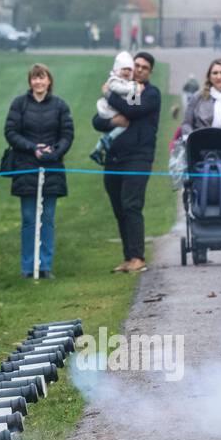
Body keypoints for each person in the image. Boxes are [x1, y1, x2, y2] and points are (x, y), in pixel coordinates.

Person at [92, 52, 160, 274]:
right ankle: (128, 256)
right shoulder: (121, 89)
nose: (139, 70)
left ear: (149, 72)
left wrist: (108, 94)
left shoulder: (149, 94)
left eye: (144, 67)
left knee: (131, 205)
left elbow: (133, 110)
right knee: (119, 208)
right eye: (136, 65)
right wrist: (112, 120)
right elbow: (97, 120)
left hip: (138, 157)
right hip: (114, 158)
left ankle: (138, 257)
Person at [5, 64, 74, 279]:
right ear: (30, 82)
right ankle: (27, 266)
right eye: (35, 78)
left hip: (51, 168)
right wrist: (32, 148)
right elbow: (10, 132)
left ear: (49, 81)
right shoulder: (19, 104)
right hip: (26, 167)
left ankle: (45, 265)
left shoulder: (60, 105)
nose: (38, 82)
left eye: (42, 78)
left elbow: (67, 134)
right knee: (28, 218)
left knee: (48, 217)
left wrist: (54, 151)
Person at [90, 52, 138, 165]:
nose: (126, 72)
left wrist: (135, 89)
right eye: (124, 69)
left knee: (120, 125)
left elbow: (134, 103)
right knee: (124, 123)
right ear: (117, 69)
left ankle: (97, 150)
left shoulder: (130, 83)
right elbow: (119, 89)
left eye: (129, 69)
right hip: (108, 109)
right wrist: (134, 87)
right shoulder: (113, 80)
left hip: (116, 110)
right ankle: (108, 139)